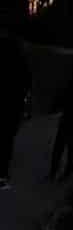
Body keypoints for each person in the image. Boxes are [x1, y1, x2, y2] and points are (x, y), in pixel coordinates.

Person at [0, 31, 31, 188]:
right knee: (7, 140)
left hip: (10, 106)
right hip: (12, 108)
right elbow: (27, 86)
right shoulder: (22, 64)